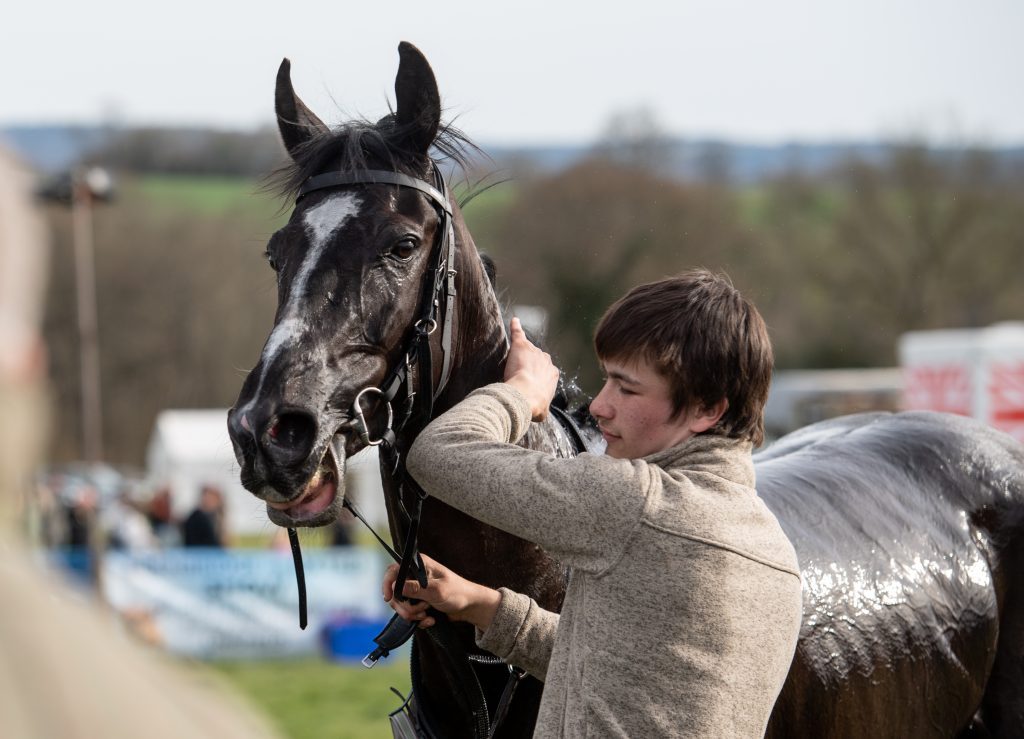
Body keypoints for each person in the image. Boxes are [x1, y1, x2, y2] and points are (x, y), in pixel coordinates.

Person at [384, 270, 802, 737]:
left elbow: (438, 454)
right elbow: (621, 670)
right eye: (606, 381)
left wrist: (524, 391)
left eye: (627, 388)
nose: (600, 406)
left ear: (707, 409)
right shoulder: (775, 552)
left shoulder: (636, 503)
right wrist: (481, 605)